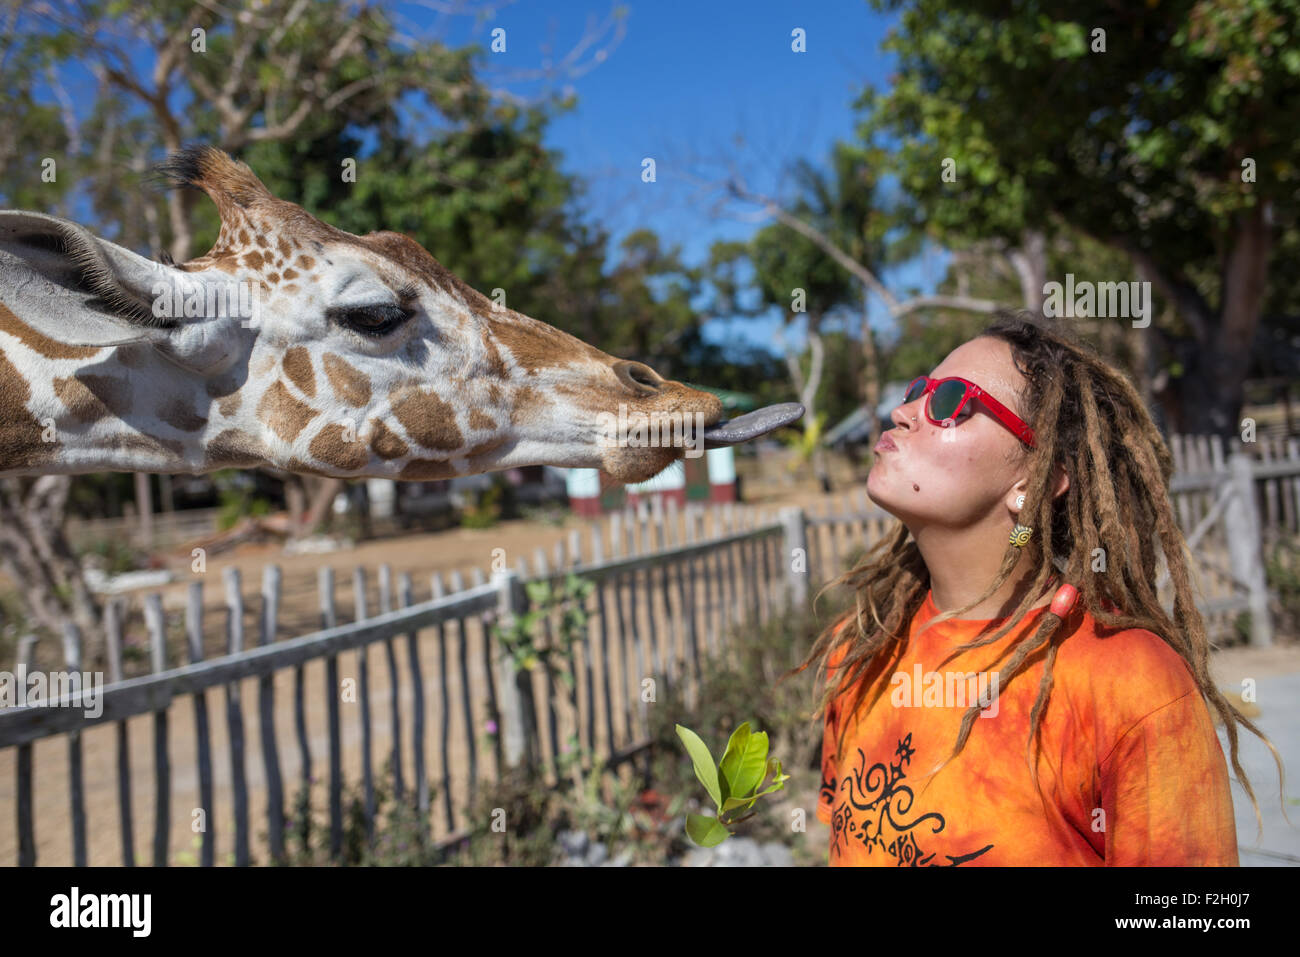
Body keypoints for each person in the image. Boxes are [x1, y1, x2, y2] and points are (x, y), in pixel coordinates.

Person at [786, 311, 1285, 866]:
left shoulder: (1130, 683)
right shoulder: (860, 647)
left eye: (950, 400)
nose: (901, 413)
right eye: (915, 391)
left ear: (1034, 481)